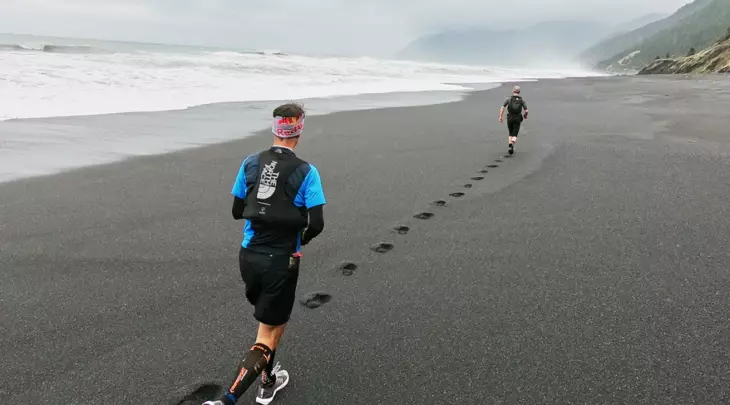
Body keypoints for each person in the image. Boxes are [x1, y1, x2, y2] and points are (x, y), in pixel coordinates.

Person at [204, 103, 326, 405]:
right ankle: (227, 400)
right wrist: (302, 239)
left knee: (270, 322)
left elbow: (236, 210)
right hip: (281, 261)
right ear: (299, 129)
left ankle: (269, 380)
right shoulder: (307, 172)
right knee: (267, 336)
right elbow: (317, 224)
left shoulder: (250, 163)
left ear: (275, 128)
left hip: (248, 257)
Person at [499, 85, 529, 155]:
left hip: (509, 117)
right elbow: (526, 111)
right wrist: (525, 116)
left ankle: (510, 145)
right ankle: (512, 144)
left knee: (510, 132)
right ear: (519, 92)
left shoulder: (508, 99)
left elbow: (502, 107)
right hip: (517, 117)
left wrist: (500, 116)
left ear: (513, 91)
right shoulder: (522, 100)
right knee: (515, 134)